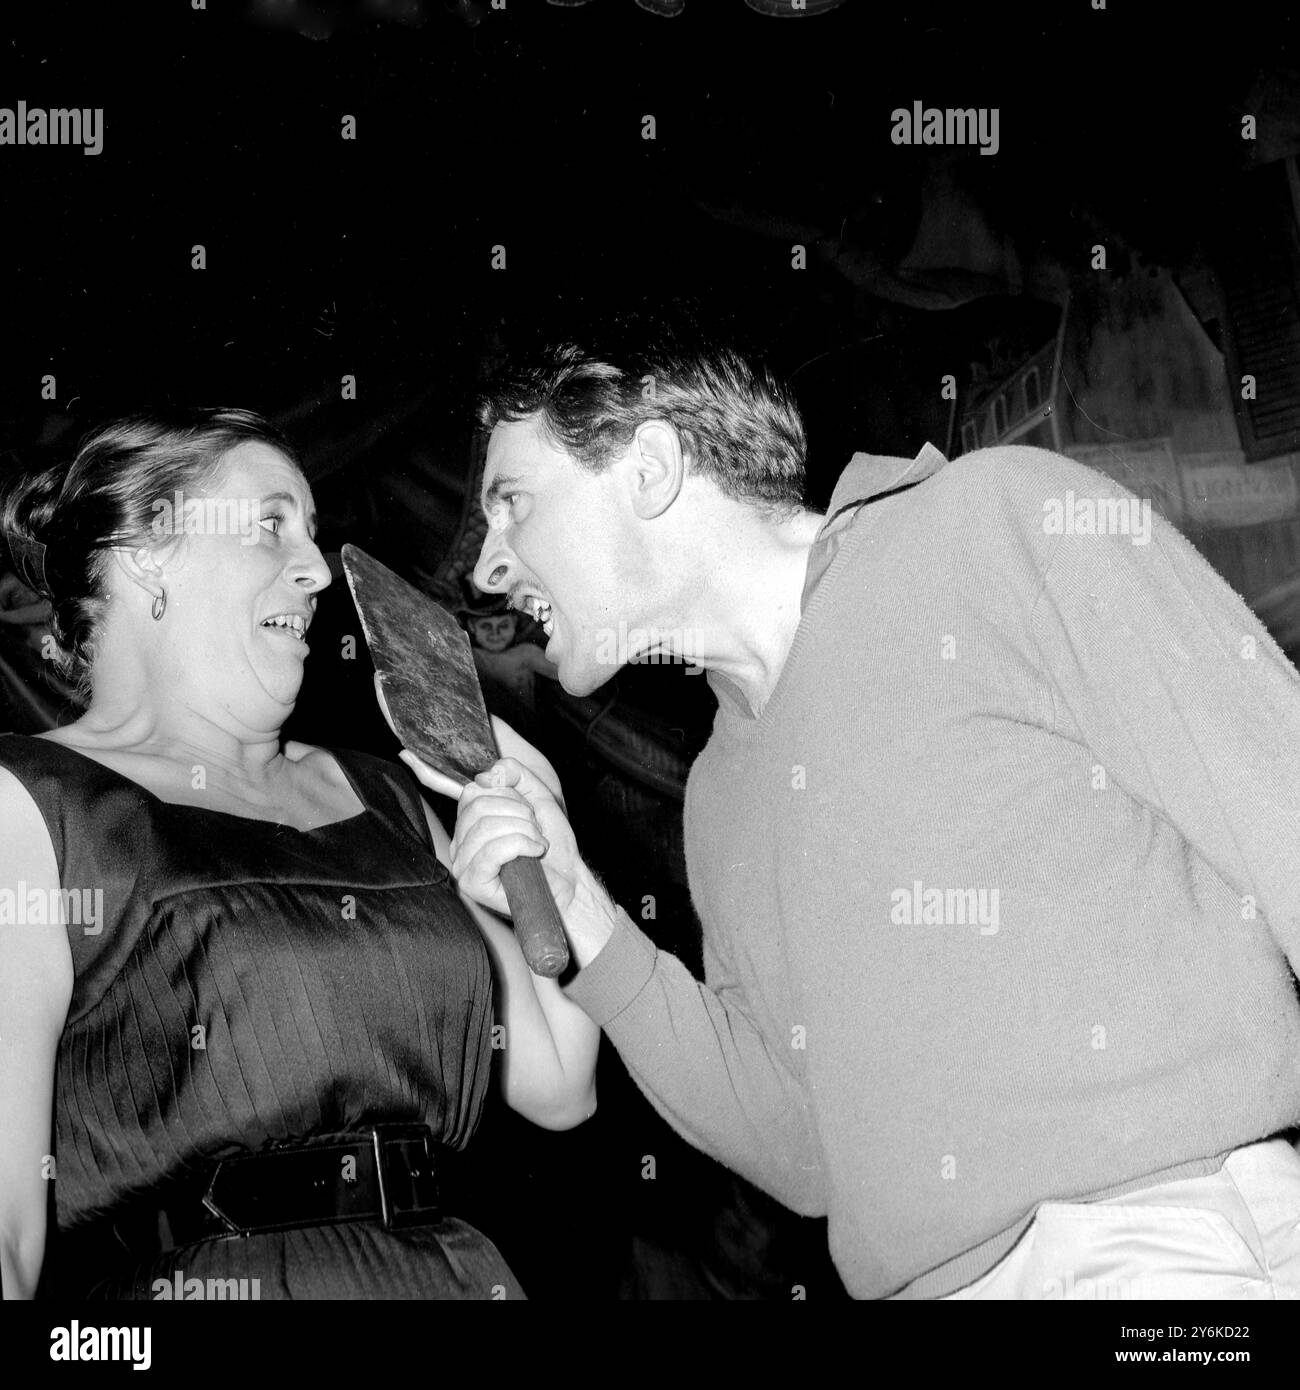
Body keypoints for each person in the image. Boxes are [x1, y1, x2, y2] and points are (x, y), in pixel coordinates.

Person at [402, 326, 1300, 1300]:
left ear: (648, 465)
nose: (488, 567)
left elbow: (1279, 797)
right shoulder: (722, 797)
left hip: (1162, 1250)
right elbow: (803, 1151)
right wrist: (580, 907)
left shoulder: (989, 523)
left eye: (513, 504)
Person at [0, 407, 597, 1301]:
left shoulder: (384, 793)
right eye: (272, 525)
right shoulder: (32, 804)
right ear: (145, 552)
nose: (319, 571)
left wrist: (555, 856)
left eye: (312, 535)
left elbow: (560, 1080)